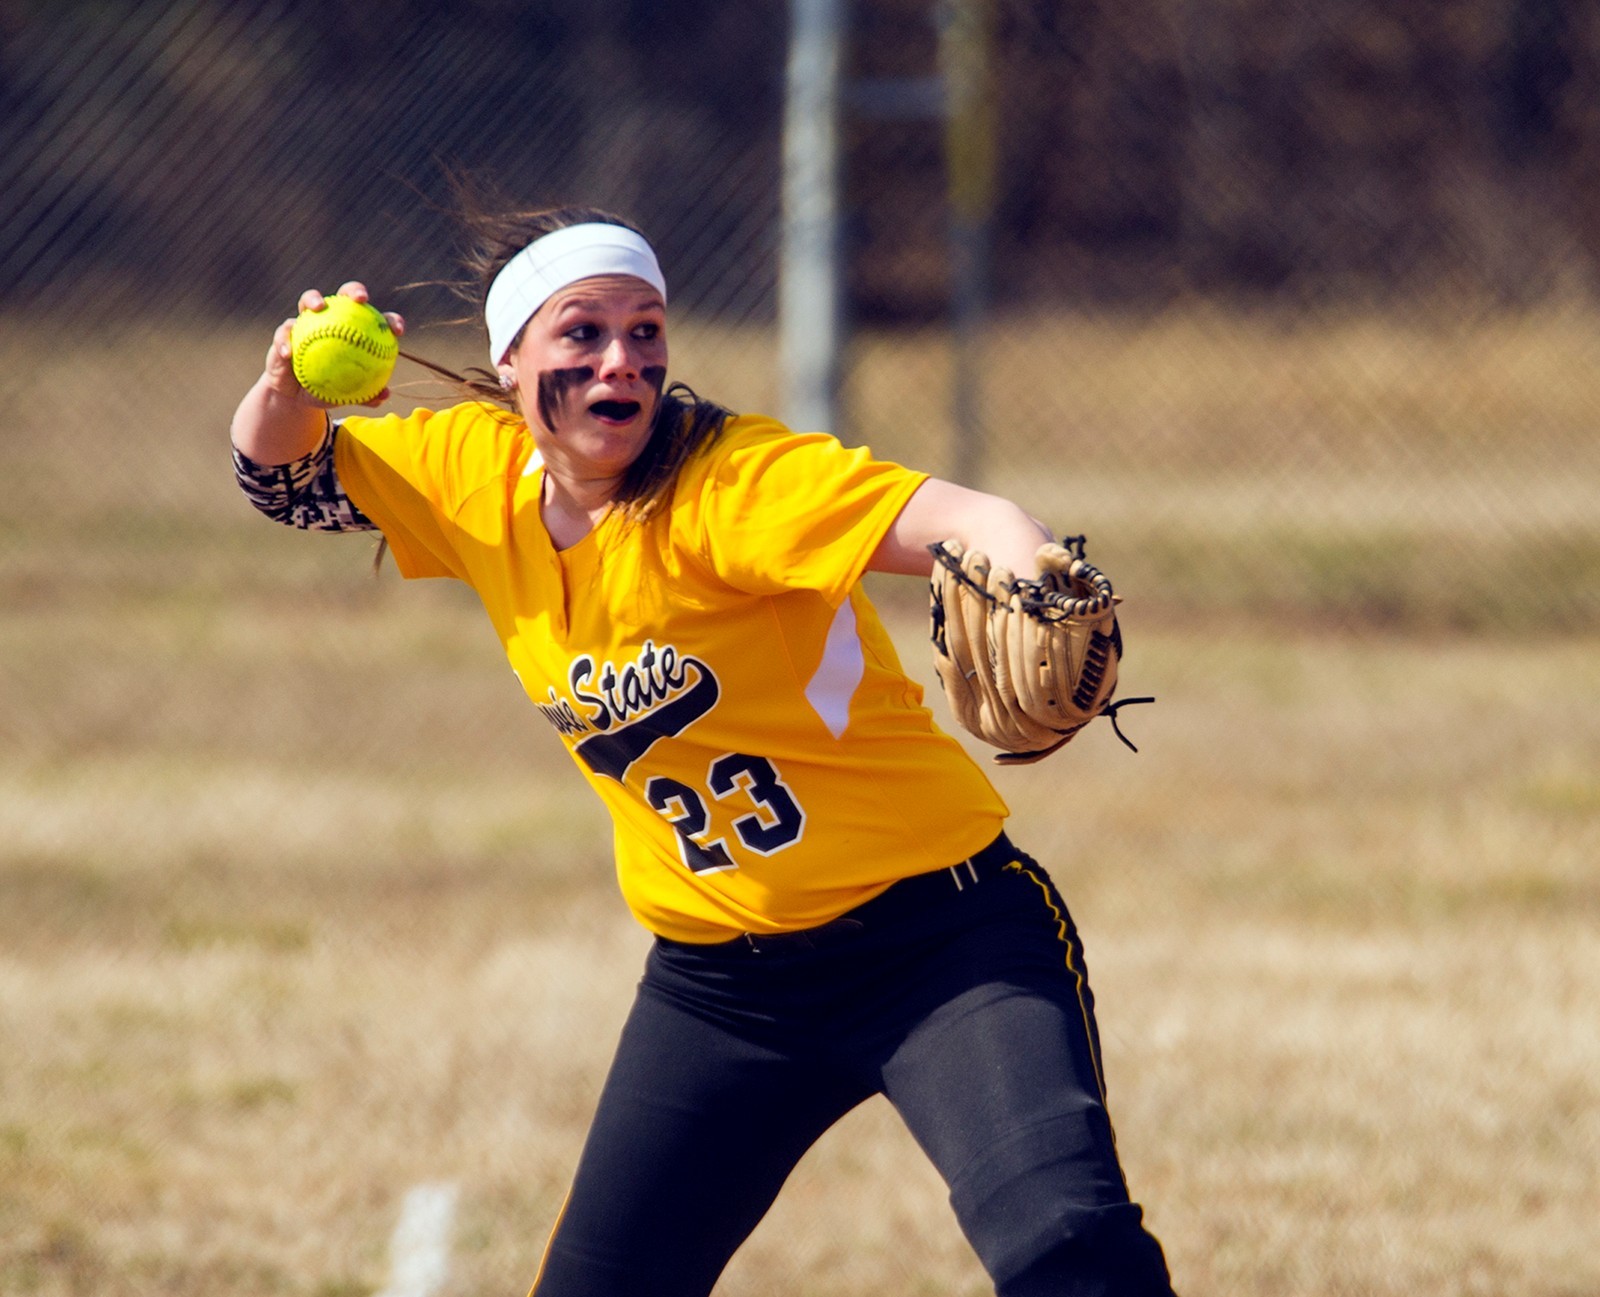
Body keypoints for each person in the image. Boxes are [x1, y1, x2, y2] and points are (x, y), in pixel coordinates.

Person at [229, 204, 1177, 1297]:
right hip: (722, 988)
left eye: (645, 329)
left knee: (1070, 1254)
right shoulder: (470, 473)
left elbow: (962, 515)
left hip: (942, 941)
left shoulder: (734, 485)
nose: (619, 359)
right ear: (510, 362)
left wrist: (1027, 565)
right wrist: (287, 391)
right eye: (580, 333)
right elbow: (284, 481)